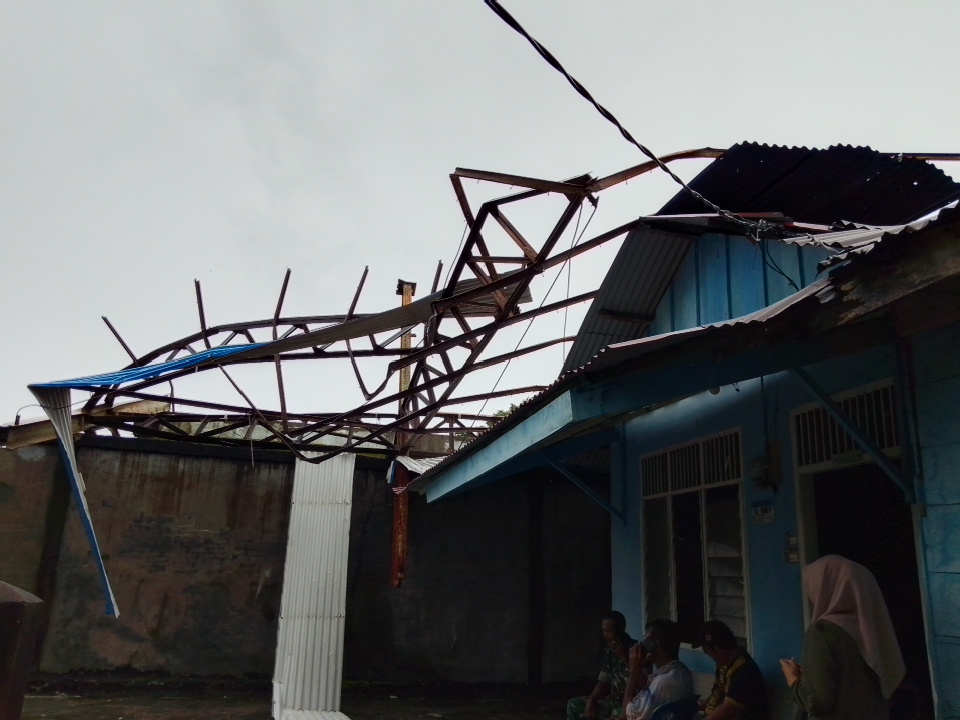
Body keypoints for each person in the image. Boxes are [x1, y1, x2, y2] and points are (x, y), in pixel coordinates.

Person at [780, 555, 906, 720]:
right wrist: (813, 673)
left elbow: (817, 702)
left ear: (824, 587)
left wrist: (792, 679)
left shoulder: (822, 631)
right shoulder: (874, 630)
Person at [567, 611, 638, 720]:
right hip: (613, 702)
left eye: (609, 631)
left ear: (621, 629)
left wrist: (624, 658)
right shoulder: (609, 650)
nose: (605, 635)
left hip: (631, 703)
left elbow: (644, 683)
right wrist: (592, 700)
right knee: (574, 705)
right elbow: (604, 681)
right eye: (604, 630)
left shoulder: (636, 650)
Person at [693, 620, 769, 720]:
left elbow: (727, 710)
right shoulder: (724, 663)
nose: (708, 655)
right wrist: (702, 705)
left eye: (707, 650)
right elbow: (718, 695)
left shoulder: (745, 673)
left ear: (719, 649)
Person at [623, 618, 694, 720]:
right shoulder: (682, 671)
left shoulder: (663, 682)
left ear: (655, 644)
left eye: (646, 639)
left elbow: (627, 715)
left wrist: (633, 671)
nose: (642, 643)